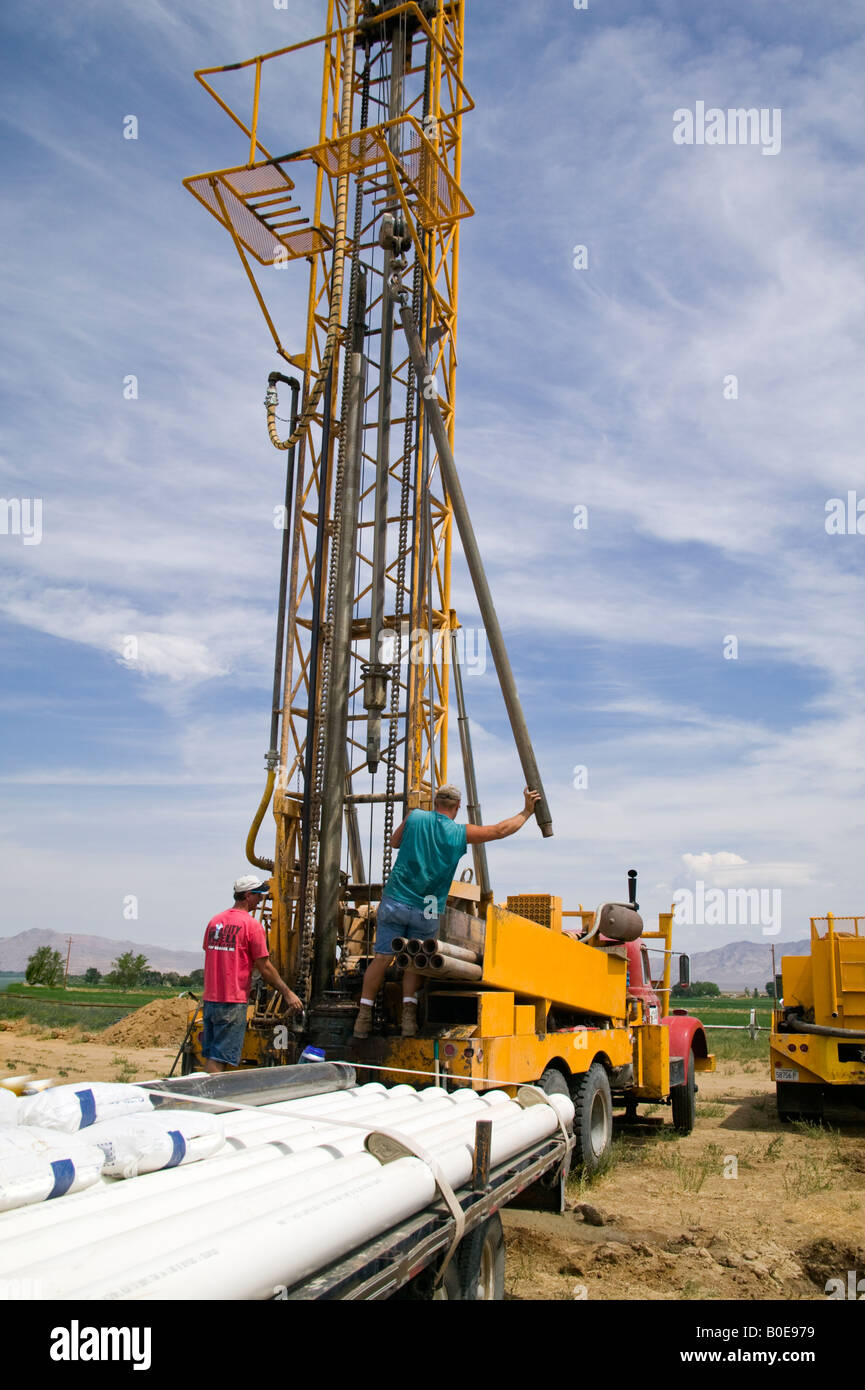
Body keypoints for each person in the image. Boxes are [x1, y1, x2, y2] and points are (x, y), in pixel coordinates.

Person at [353, 785, 542, 1040]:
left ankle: (362, 1020)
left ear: (435, 801)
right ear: (457, 807)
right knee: (413, 960)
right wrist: (527, 812)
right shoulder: (459, 832)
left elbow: (394, 842)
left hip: (397, 896)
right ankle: (409, 1019)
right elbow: (499, 831)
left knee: (383, 957)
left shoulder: (415, 816)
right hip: (429, 903)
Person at [201, 875, 303, 1073]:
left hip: (211, 1000)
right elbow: (265, 967)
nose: (260, 900)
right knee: (220, 1058)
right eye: (258, 895)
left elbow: (211, 952)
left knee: (212, 1055)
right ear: (248, 896)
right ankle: (213, 1101)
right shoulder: (251, 926)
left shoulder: (215, 922)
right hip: (232, 1001)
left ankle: (210, 1096)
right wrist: (287, 993)